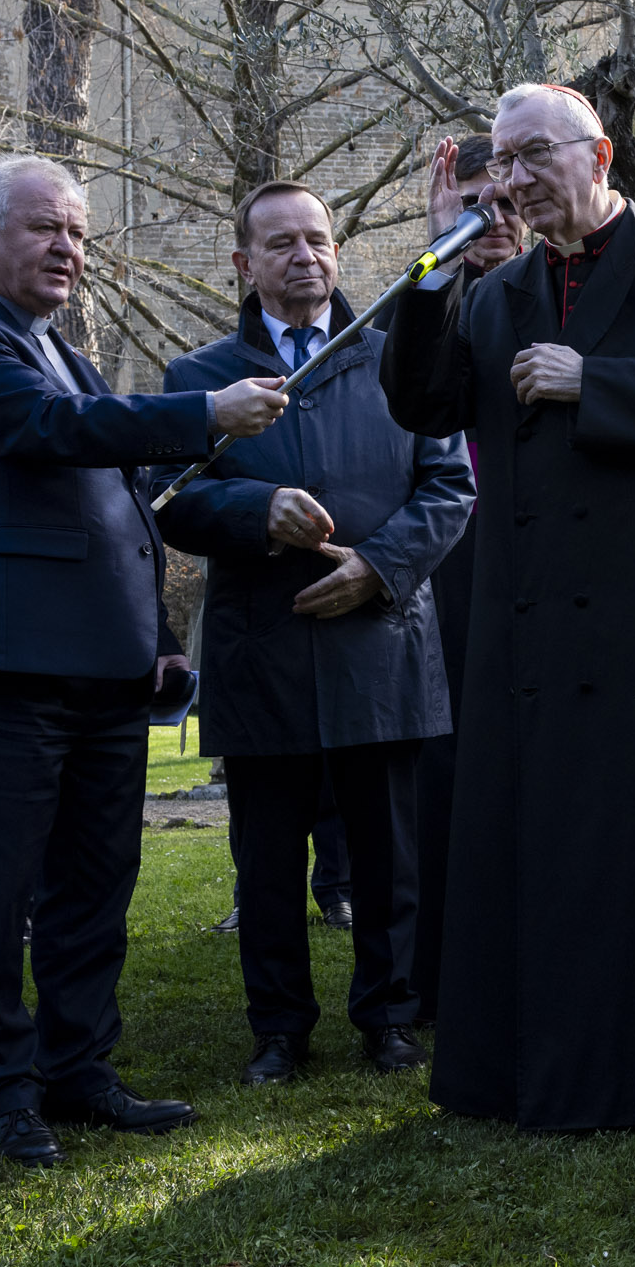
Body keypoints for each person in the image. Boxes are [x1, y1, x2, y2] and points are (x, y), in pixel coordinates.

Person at [379, 82, 635, 1130]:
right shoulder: (495, 289)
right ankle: (525, 1072)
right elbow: (421, 400)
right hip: (531, 617)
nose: (510, 180)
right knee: (538, 844)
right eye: (498, 163)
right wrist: (429, 265)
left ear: (597, 154)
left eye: (529, 156)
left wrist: (596, 379)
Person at [0, 153, 288, 1166]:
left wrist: (153, 643)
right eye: (44, 228)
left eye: (77, 231)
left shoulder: (58, 346)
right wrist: (204, 412)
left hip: (105, 674)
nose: (68, 247)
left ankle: (79, 1071)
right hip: (3, 671)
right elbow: (48, 433)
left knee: (93, 888)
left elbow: (114, 513)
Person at [158, 178, 471, 1084]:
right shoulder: (199, 378)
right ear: (244, 263)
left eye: (318, 240)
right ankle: (279, 1031)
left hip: (382, 639)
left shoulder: (397, 360)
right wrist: (257, 510)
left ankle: (389, 1017)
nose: (305, 256)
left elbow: (451, 486)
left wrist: (378, 566)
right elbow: (170, 503)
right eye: (282, 243)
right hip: (266, 648)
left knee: (389, 858)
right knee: (265, 861)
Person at [408, 135, 526, 1025]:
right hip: (452, 572)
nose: (496, 219)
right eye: (476, 204)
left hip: (547, 560)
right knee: (450, 773)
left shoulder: (556, 301)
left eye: (509, 200)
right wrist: (438, 252)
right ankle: (445, 977)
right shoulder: (431, 302)